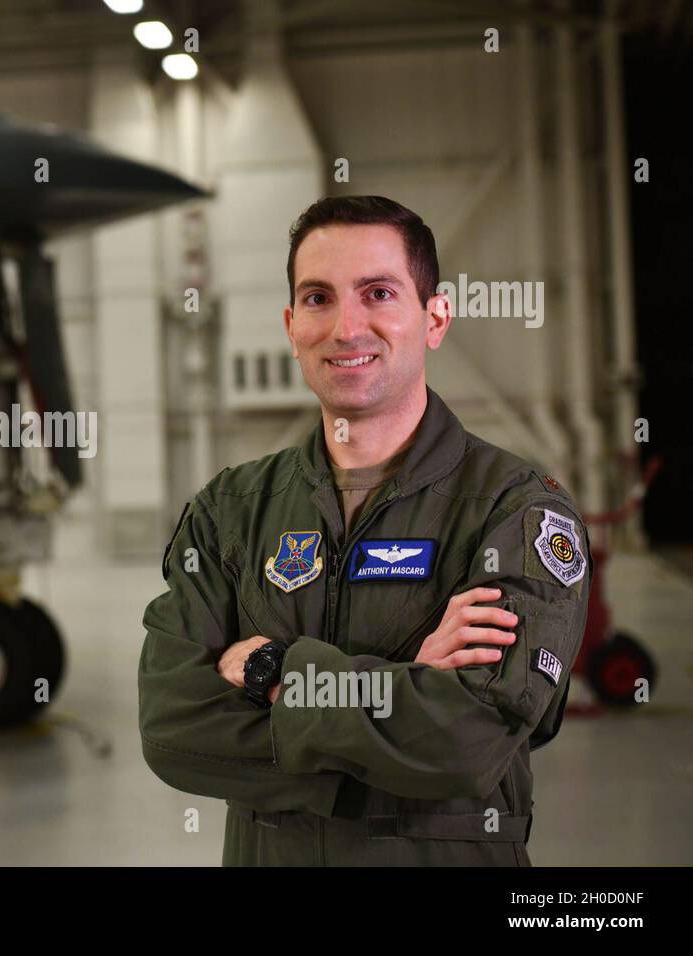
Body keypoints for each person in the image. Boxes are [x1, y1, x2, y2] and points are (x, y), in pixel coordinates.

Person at [138, 195, 591, 866]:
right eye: (319, 299)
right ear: (292, 325)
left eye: (378, 293)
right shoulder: (229, 510)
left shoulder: (516, 512)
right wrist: (403, 697)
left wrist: (278, 670)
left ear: (434, 318)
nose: (347, 327)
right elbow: (174, 729)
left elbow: (467, 740)